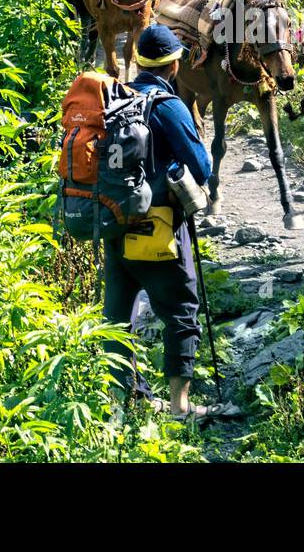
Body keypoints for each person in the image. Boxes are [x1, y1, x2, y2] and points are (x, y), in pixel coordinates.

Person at [102, 24, 216, 418]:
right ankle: (179, 407)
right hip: (160, 227)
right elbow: (201, 167)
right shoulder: (169, 106)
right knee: (181, 310)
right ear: (172, 64)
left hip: (115, 223)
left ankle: (125, 403)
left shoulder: (114, 97)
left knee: (117, 318)